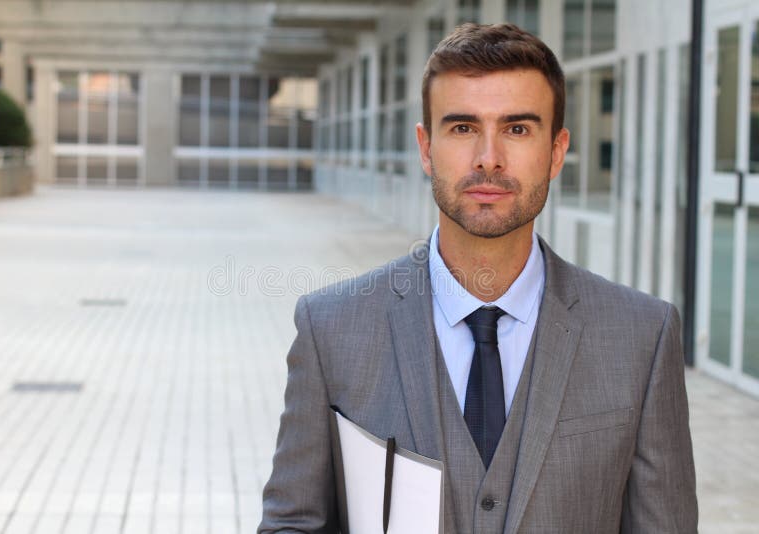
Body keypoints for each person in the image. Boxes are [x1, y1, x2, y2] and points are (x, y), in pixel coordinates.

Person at [259, 23, 697, 533]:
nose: (488, 157)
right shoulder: (330, 328)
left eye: (517, 129)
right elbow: (291, 525)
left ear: (556, 152)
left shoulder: (642, 336)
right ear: (426, 148)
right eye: (463, 128)